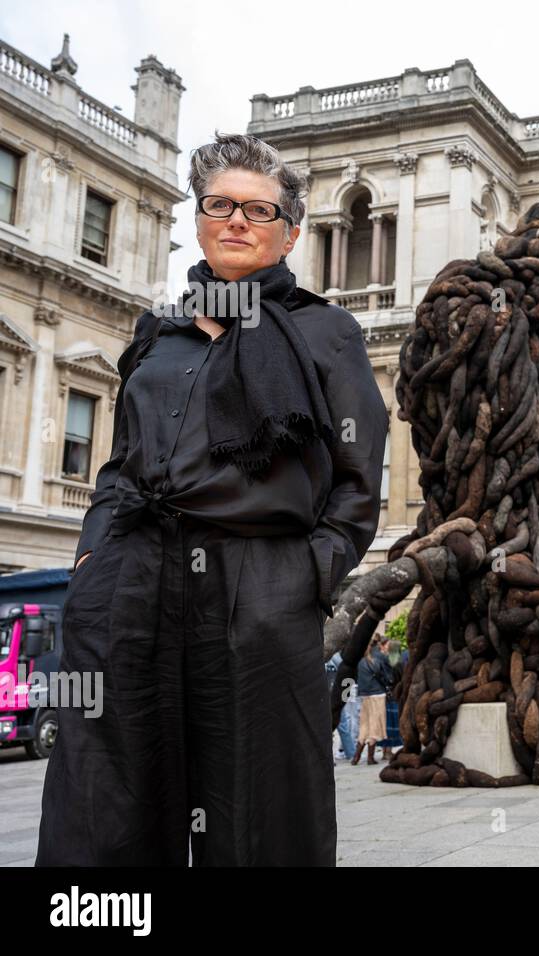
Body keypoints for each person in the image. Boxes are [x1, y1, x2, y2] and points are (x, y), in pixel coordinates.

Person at [36, 133, 389, 867]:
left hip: (256, 585)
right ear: (198, 219)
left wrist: (306, 576)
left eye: (258, 210)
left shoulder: (325, 332)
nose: (236, 221)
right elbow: (121, 461)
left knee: (259, 801)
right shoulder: (157, 331)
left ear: (289, 232)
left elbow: (359, 480)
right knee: (109, 791)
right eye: (219, 205)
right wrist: (91, 557)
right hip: (131, 582)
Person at [353, 636, 395, 765]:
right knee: (375, 726)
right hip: (377, 695)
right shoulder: (380, 658)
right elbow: (388, 677)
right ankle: (370, 758)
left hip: (364, 695)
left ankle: (356, 757)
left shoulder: (360, 660)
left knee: (364, 726)